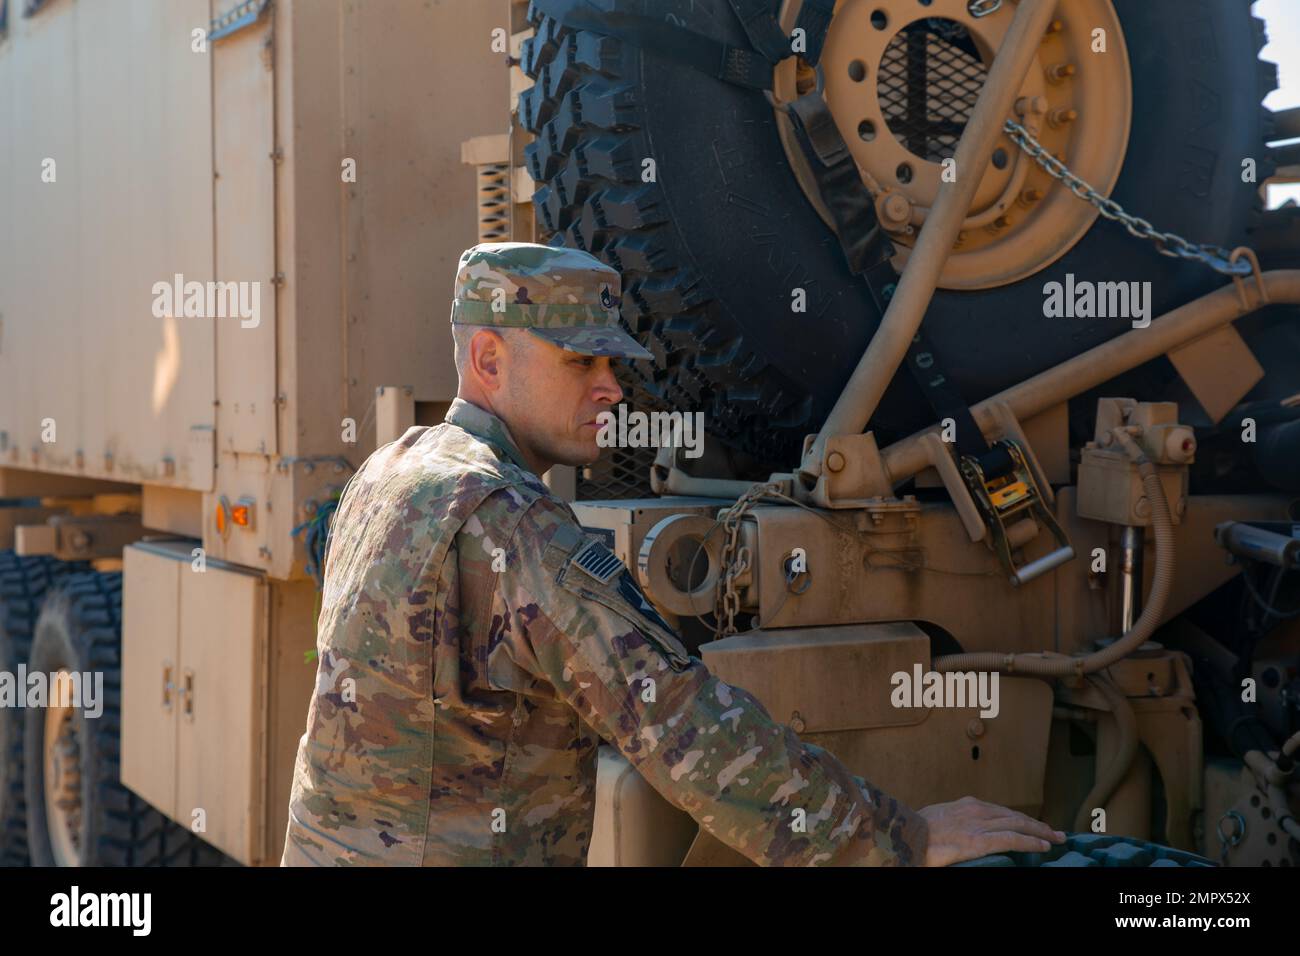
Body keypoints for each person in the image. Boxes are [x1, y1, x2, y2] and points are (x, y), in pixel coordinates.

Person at [281, 241, 1065, 866]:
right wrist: (902, 838)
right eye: (580, 362)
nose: (611, 388)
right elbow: (689, 732)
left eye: (611, 365)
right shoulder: (512, 521)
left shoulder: (388, 473)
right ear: (488, 361)